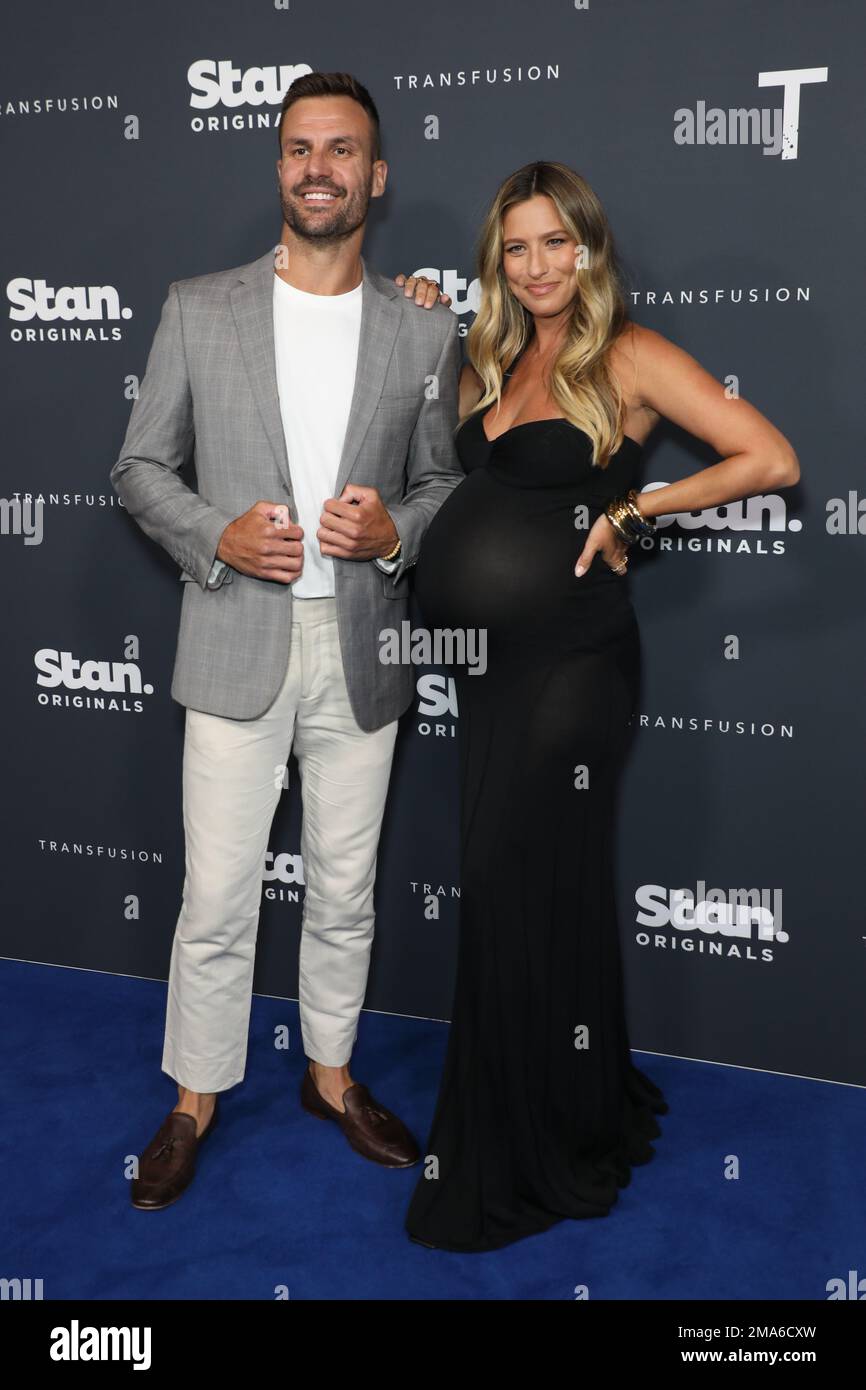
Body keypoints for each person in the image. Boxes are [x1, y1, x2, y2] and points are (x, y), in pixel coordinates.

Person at [403, 160, 800, 1252]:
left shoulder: (625, 353)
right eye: (515, 248)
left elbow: (766, 456)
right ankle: (573, 1103)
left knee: (503, 884)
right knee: (533, 891)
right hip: (484, 669)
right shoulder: (491, 356)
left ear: (587, 248)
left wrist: (638, 509)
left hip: (573, 671)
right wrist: (424, 315)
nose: (535, 267)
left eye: (553, 243)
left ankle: (525, 1150)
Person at [110, 71, 463, 1210]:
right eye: (301, 147)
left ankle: (328, 1073)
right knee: (216, 895)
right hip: (234, 636)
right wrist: (216, 534)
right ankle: (193, 1098)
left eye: (343, 149)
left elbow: (445, 480)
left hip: (363, 646)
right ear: (278, 168)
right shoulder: (197, 305)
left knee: (345, 886)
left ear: (375, 175)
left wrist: (393, 530)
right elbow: (137, 468)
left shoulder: (422, 323)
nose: (321, 166)